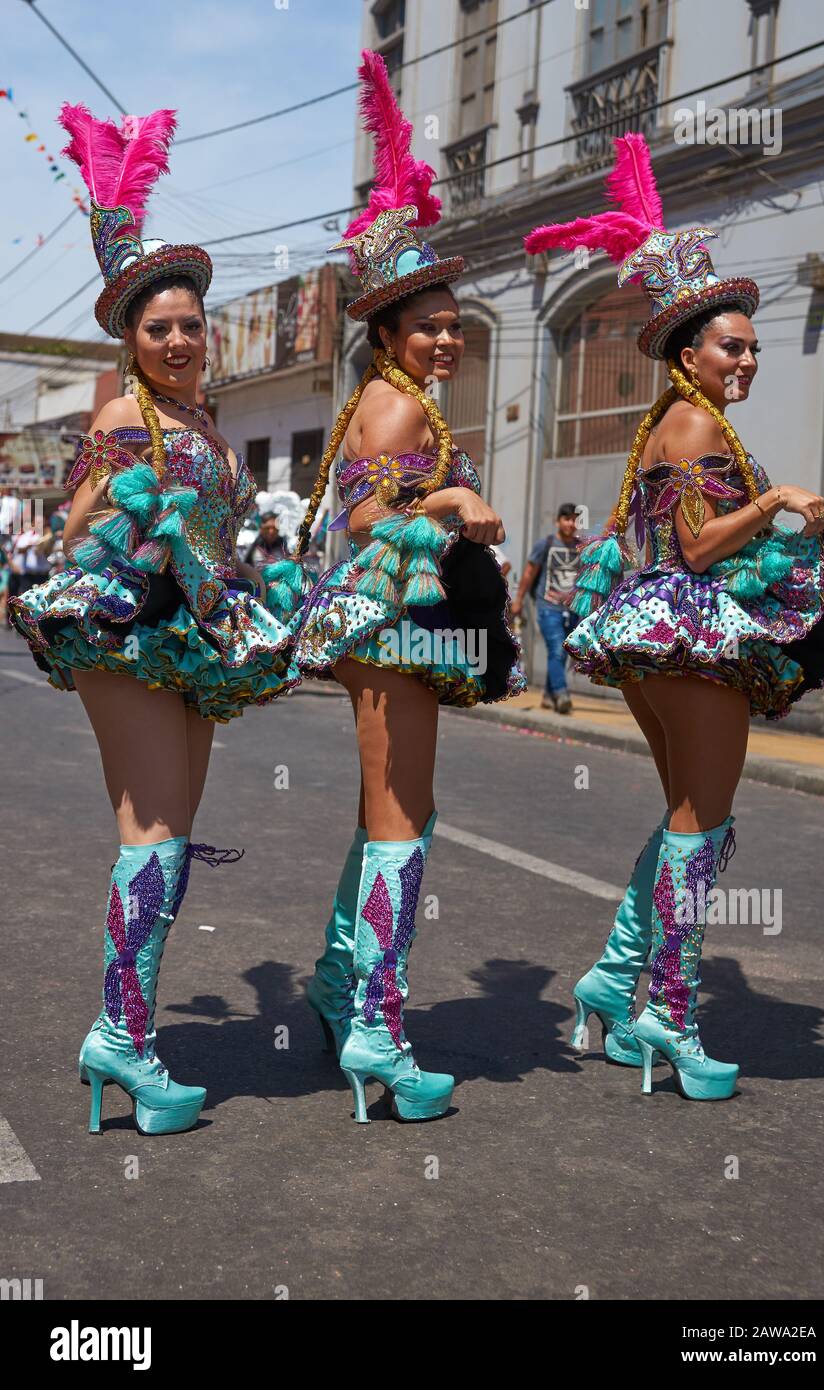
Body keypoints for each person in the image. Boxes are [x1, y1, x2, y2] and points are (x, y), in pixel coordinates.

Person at [525, 133, 824, 1102]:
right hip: (692, 641)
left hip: (654, 642)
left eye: (750, 344)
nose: (745, 357)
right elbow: (701, 548)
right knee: (700, 827)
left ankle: (615, 980)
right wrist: (778, 499)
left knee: (683, 822)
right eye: (731, 344)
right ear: (686, 351)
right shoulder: (698, 423)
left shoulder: (664, 425)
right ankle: (668, 1012)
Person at [10, 103, 301, 1136]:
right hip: (127, 625)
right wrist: (140, 500)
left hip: (199, 629)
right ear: (130, 340)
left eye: (189, 323)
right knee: (153, 830)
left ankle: (123, 1032)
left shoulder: (203, 421)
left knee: (170, 840)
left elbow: (215, 540)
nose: (178, 337)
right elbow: (81, 519)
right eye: (158, 326)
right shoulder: (124, 417)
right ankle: (122, 1039)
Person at [267, 52, 524, 1124]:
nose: (444, 336)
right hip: (392, 619)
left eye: (452, 323)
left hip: (397, 624)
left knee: (398, 812)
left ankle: (342, 990)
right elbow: (363, 518)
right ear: (383, 331)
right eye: (426, 323)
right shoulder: (396, 403)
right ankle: (372, 1026)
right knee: (399, 819)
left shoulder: (397, 397)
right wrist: (452, 508)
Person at [512, 502, 582, 712]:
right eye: (566, 518)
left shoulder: (582, 547)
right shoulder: (546, 544)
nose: (570, 523)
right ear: (558, 521)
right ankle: (561, 695)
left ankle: (548, 695)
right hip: (548, 606)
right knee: (556, 649)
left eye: (574, 519)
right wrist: (518, 599)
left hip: (572, 609)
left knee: (562, 651)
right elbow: (529, 573)